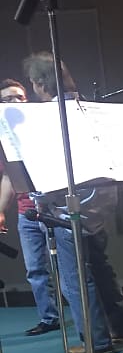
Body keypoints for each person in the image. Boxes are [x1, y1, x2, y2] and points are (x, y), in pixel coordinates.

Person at [22, 51, 123, 353]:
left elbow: (49, 169)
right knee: (100, 269)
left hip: (70, 208)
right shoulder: (86, 106)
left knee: (75, 280)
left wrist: (39, 200)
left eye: (32, 82)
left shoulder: (49, 118)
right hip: (101, 202)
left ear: (39, 82)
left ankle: (97, 342)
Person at [0, 78, 60, 335]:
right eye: (7, 99)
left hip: (56, 209)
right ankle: (49, 318)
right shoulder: (5, 139)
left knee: (74, 270)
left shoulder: (43, 127)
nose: (15, 102)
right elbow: (8, 178)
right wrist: (0, 210)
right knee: (35, 269)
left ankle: (94, 324)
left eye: (19, 97)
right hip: (27, 213)